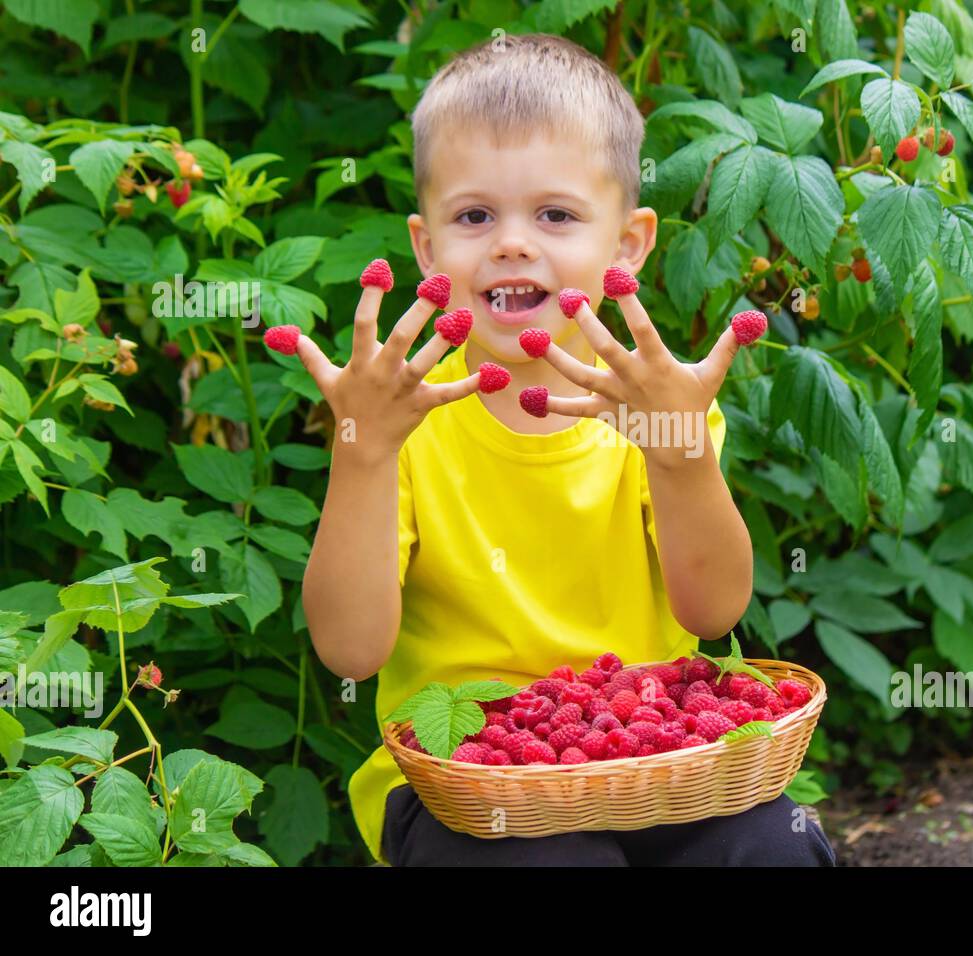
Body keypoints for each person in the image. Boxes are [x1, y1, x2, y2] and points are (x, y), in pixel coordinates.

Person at [296, 32, 834, 867]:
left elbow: (715, 613)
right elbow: (350, 651)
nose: (512, 242)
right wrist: (362, 451)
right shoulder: (403, 427)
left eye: (555, 214)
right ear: (427, 250)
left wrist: (682, 450)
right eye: (475, 216)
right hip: (465, 785)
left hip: (657, 761)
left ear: (628, 245)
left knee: (771, 847)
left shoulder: (657, 410)